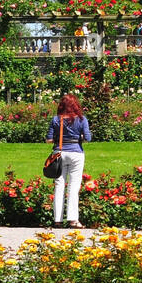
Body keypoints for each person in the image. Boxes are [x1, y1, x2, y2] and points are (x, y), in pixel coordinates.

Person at [46, 94, 93, 228]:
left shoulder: (56, 120)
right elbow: (87, 138)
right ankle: (73, 219)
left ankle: (57, 220)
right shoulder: (81, 119)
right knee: (73, 186)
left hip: (59, 153)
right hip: (76, 152)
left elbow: (48, 139)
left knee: (59, 186)